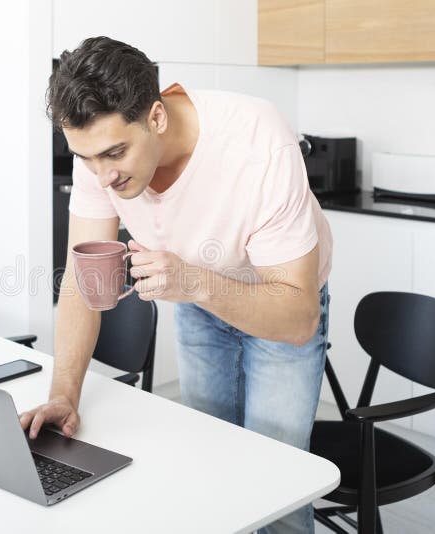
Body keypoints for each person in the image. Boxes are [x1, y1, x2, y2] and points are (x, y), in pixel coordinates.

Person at [19, 36, 333, 534]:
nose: (102, 177)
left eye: (114, 153)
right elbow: (81, 281)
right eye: (86, 159)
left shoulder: (257, 141)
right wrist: (64, 393)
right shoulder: (98, 158)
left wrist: (192, 281)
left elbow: (299, 320)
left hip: (278, 305)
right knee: (210, 465)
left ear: (157, 118)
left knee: (279, 488)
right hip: (198, 300)